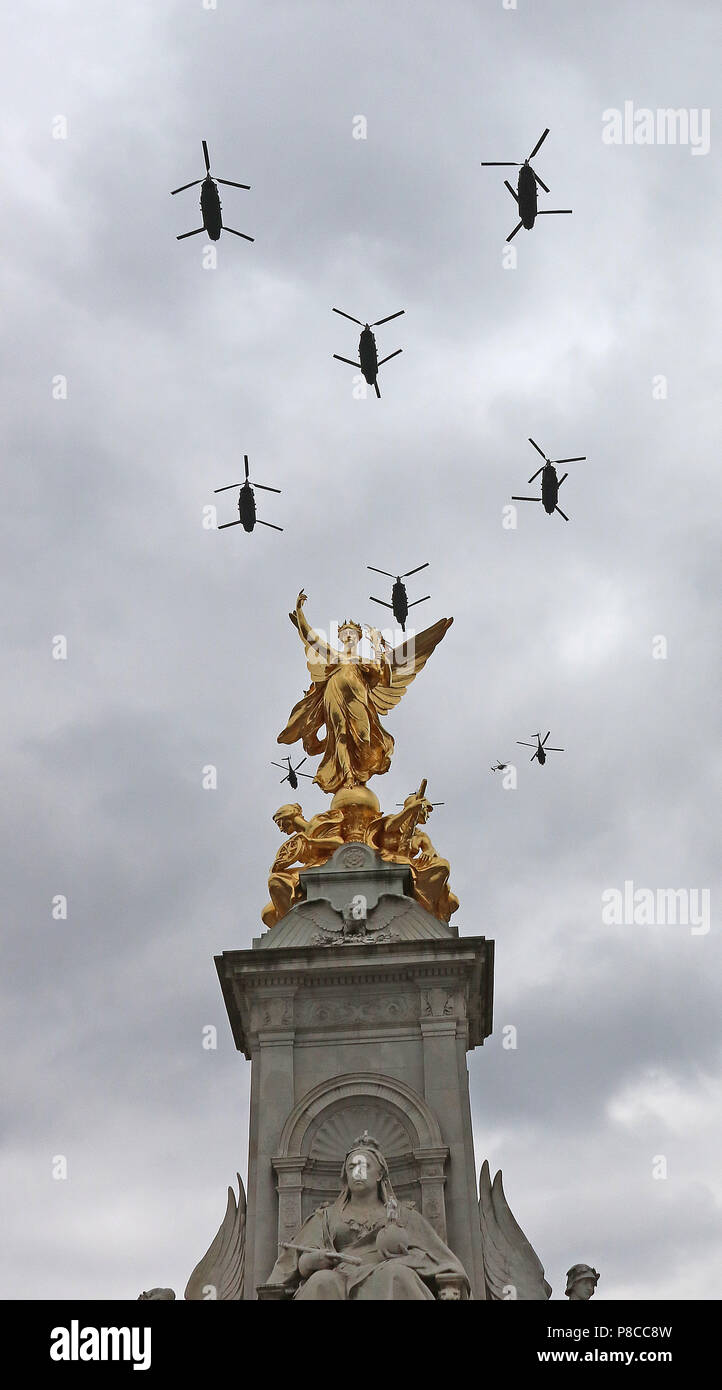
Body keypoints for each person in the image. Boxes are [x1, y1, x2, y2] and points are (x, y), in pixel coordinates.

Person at [265, 1133, 469, 1300]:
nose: (357, 1173)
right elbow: (295, 1261)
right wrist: (312, 1261)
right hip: (339, 1276)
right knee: (321, 1282)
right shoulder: (326, 1216)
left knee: (397, 1275)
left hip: (386, 1274)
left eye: (364, 1167)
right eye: (352, 1167)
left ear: (380, 1174)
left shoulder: (403, 1215)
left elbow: (438, 1257)